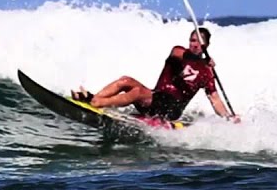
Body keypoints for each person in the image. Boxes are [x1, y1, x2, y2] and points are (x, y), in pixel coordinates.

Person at [72, 28, 239, 122]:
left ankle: (97, 102)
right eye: (192, 40)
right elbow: (177, 54)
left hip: (171, 109)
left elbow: (215, 99)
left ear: (206, 45)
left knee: (137, 93)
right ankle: (93, 99)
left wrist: (229, 117)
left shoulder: (206, 72)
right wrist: (203, 60)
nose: (193, 44)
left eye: (197, 41)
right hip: (156, 98)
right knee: (125, 81)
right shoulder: (179, 52)